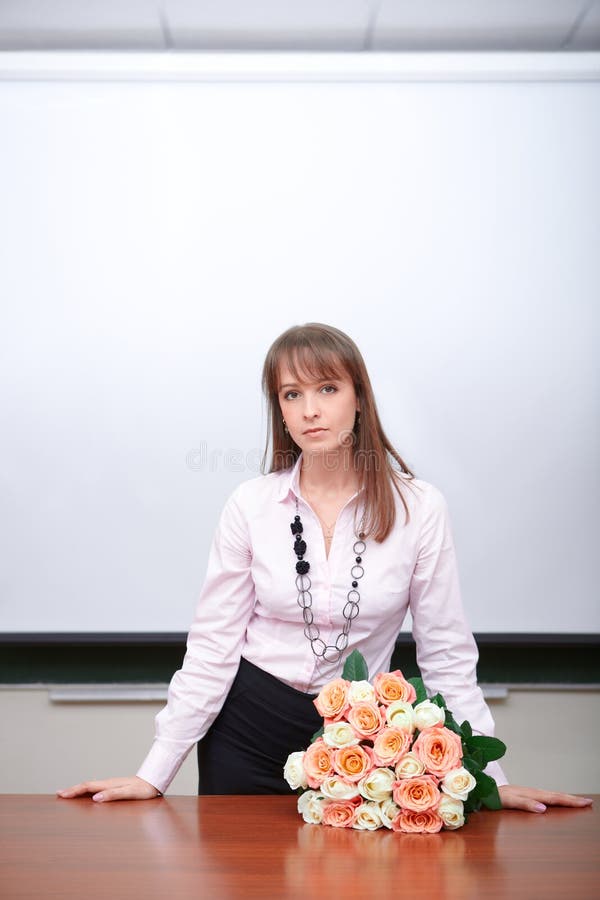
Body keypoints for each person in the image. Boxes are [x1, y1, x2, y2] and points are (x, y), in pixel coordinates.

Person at [58, 322, 593, 815]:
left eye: (327, 389)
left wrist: (488, 778)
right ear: (281, 413)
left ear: (359, 398)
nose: (310, 409)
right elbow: (211, 649)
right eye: (293, 395)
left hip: (362, 737)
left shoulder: (420, 508)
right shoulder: (249, 505)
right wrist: (154, 773)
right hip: (246, 726)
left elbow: (447, 657)